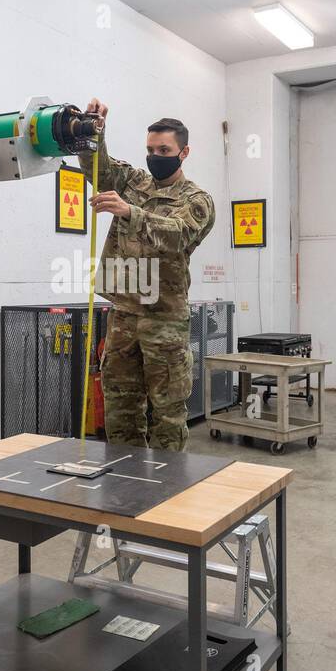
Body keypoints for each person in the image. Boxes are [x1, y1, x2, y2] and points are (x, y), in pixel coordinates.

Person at [77, 99, 215, 452]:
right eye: (151, 149)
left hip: (164, 320)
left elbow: (178, 234)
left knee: (167, 412)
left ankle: (168, 491)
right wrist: (92, 133)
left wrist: (131, 212)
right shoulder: (135, 181)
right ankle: (123, 487)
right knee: (121, 407)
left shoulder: (197, 199)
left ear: (184, 152)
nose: (156, 156)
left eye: (164, 149)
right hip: (124, 314)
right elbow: (100, 170)